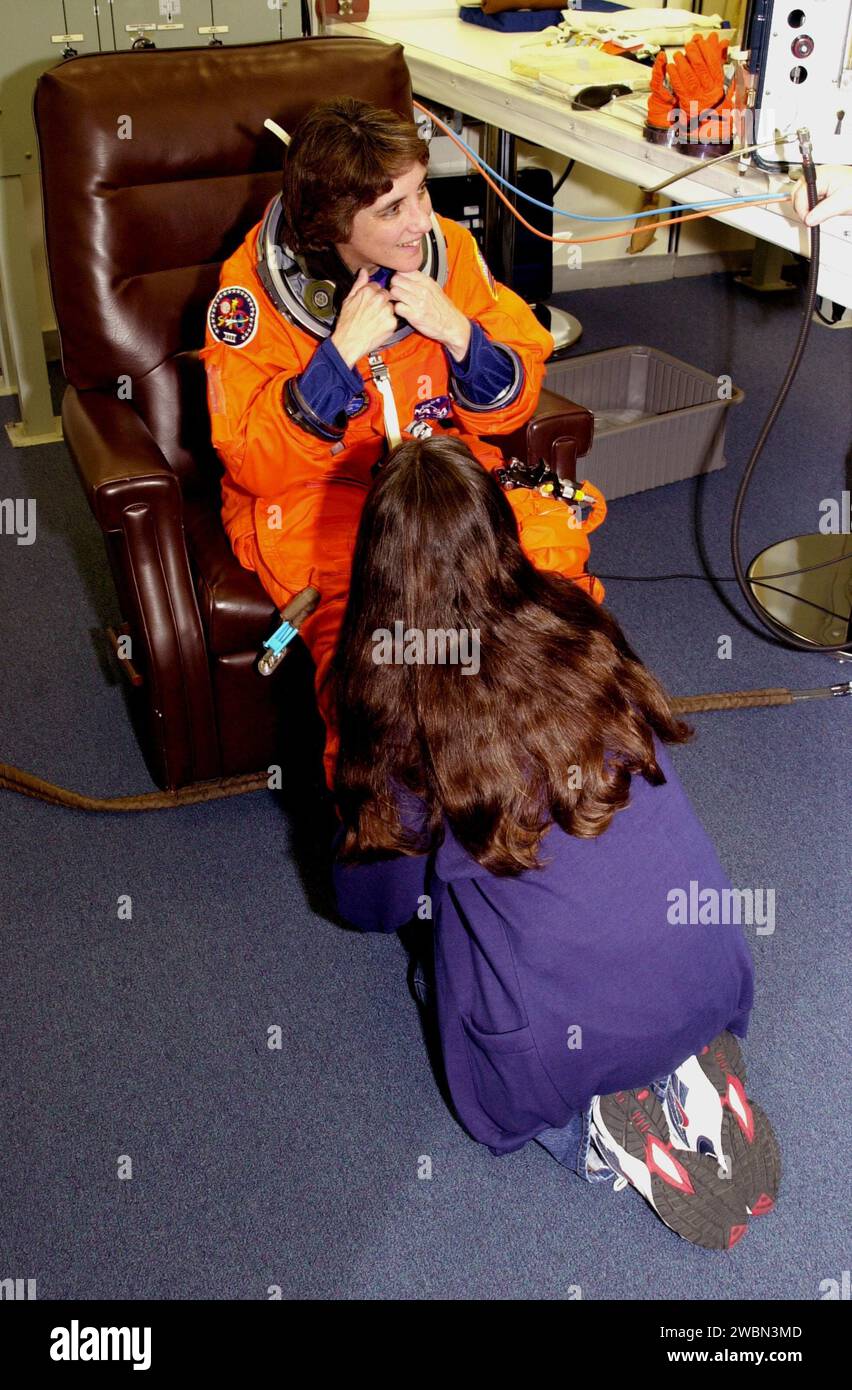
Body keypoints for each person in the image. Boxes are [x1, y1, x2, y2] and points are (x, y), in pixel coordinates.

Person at [330, 435, 781, 1251]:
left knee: (435, 969)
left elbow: (374, 902)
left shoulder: (403, 710)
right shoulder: (577, 620)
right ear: (501, 531)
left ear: (380, 574)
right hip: (713, 966)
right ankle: (691, 1058)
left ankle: (601, 1128)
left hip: (569, 1049)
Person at [201, 98, 606, 787]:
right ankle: (390, 841)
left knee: (550, 581)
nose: (422, 220)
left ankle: (560, 780)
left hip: (437, 467)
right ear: (332, 227)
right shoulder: (249, 300)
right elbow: (252, 462)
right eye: (392, 210)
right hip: (318, 496)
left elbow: (513, 399)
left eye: (420, 191)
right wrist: (334, 363)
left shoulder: (451, 252)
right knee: (364, 648)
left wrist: (461, 336)